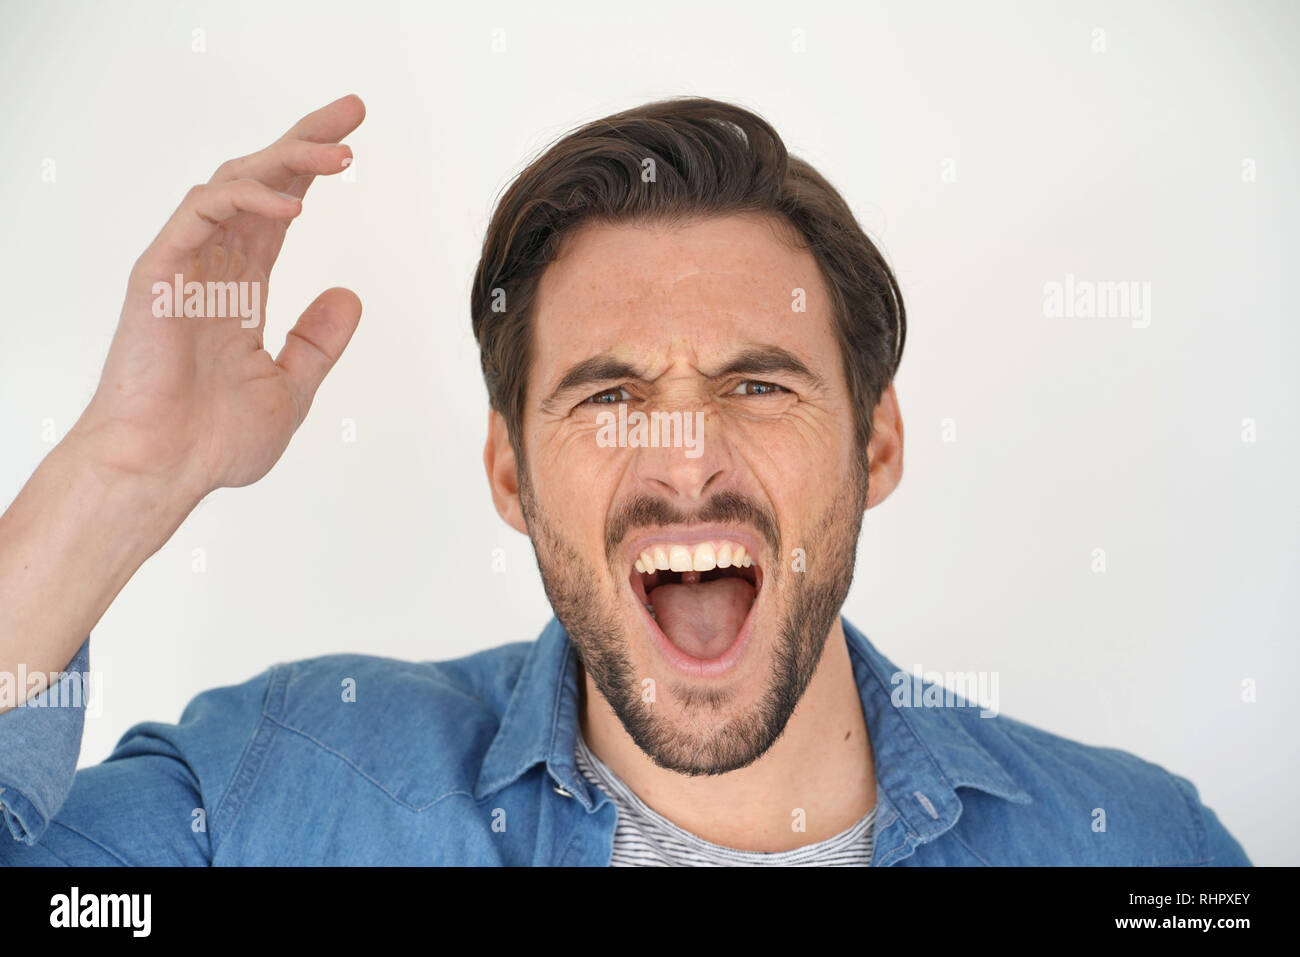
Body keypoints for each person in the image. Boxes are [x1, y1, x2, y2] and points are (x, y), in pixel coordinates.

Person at [0, 94, 1249, 865]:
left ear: (876, 446)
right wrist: (117, 479)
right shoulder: (275, 793)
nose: (686, 459)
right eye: (608, 397)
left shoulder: (1146, 854)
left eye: (759, 385)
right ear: (511, 473)